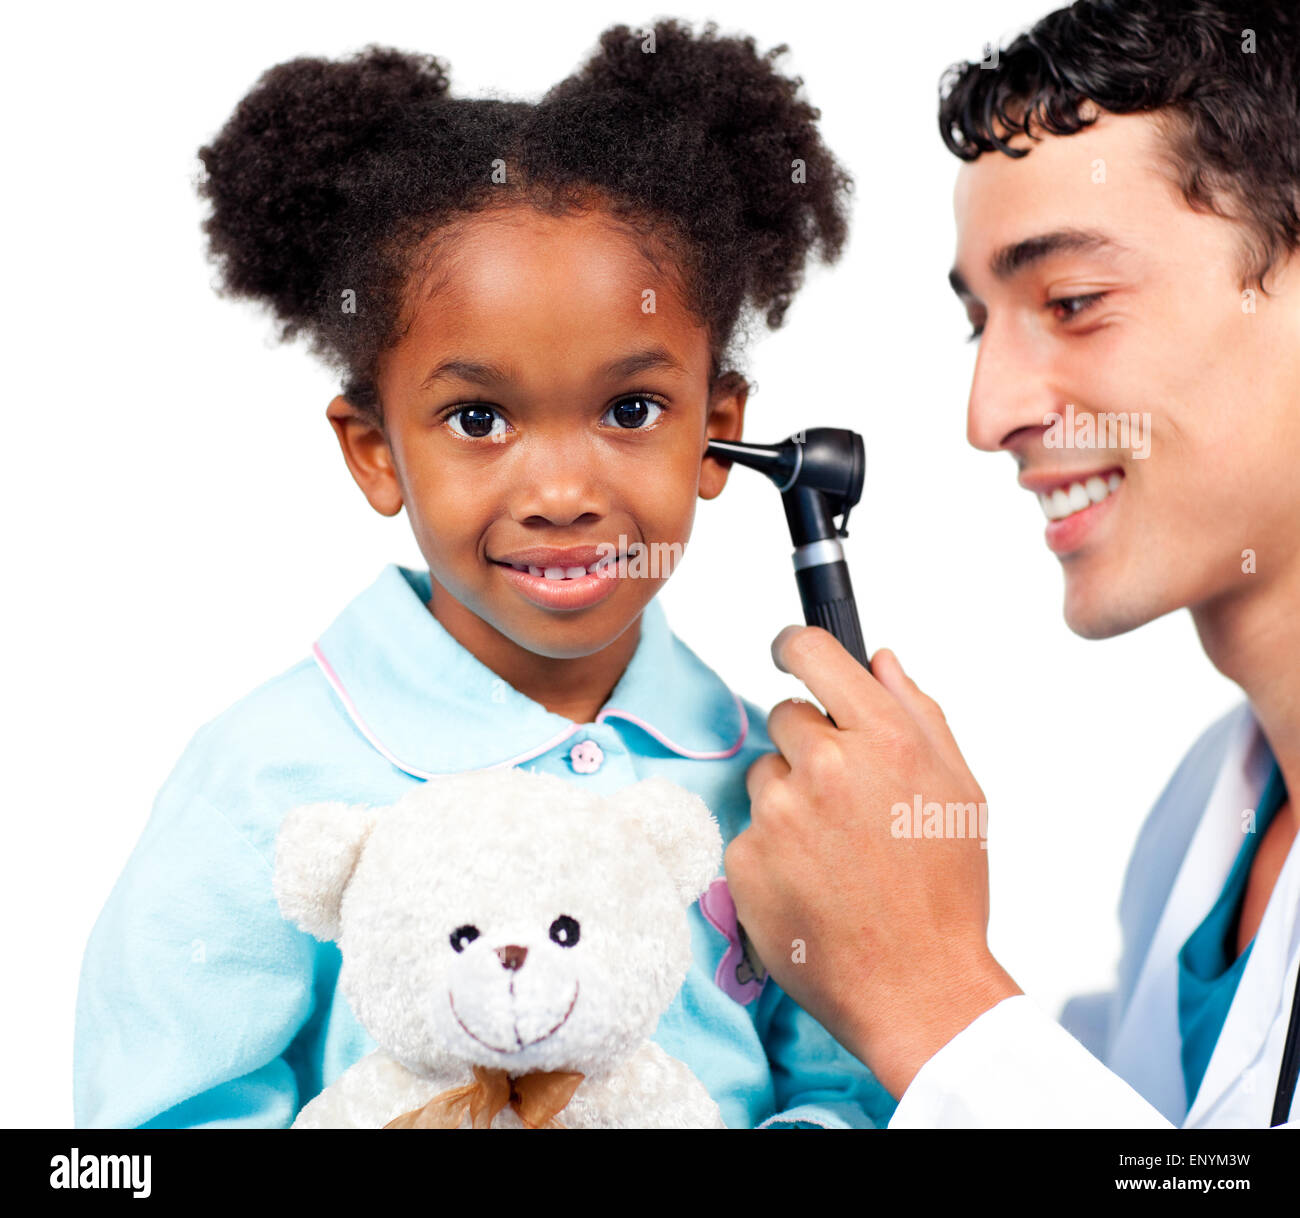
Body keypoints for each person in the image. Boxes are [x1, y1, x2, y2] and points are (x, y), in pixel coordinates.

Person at [72, 21, 899, 1129]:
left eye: (630, 410)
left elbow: (852, 1087)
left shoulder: (771, 783)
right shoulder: (264, 780)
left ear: (717, 434)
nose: (560, 489)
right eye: (478, 417)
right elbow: (154, 1120)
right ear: (375, 451)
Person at [725, 0, 1300, 1128]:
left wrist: (929, 997)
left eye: (1074, 304)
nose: (987, 414)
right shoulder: (1206, 821)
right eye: (981, 322)